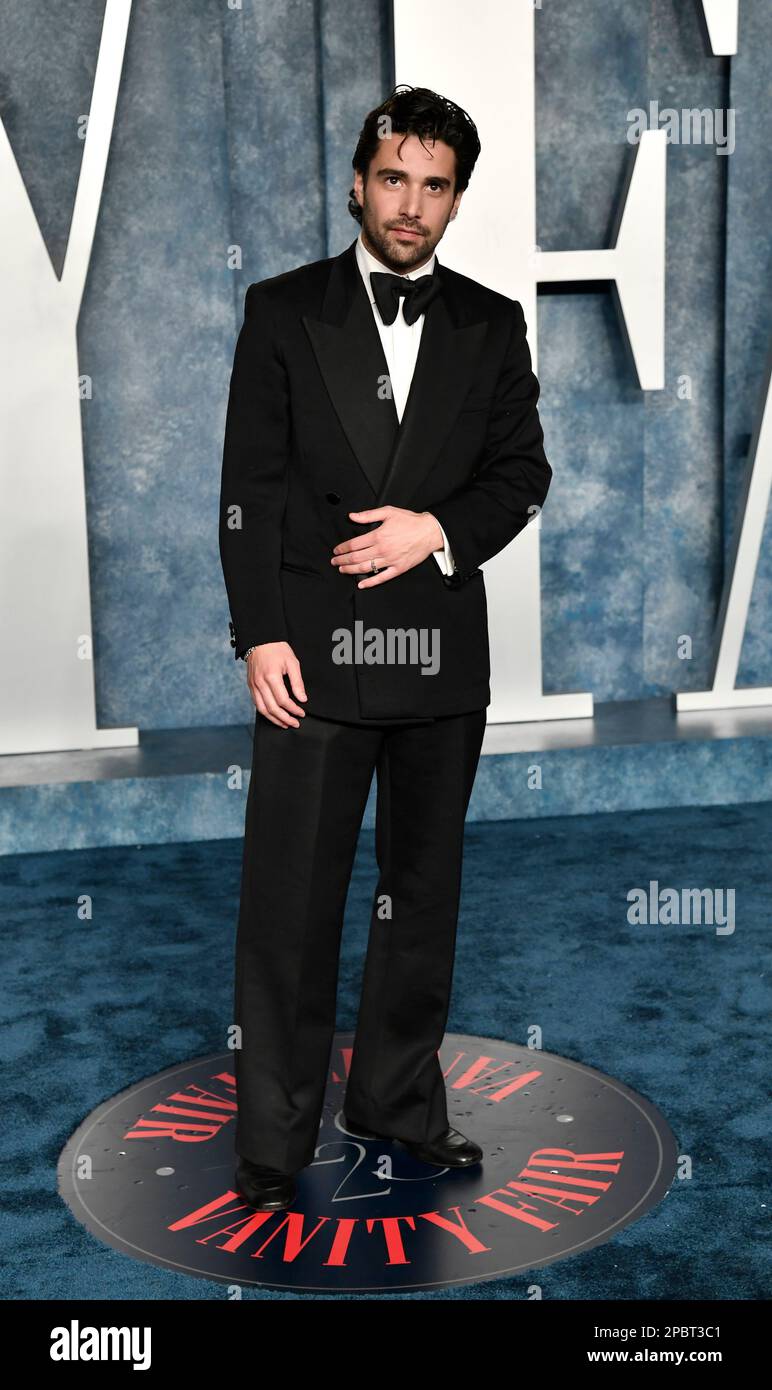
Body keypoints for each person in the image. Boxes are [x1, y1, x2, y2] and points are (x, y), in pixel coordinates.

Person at [218, 84, 552, 1211]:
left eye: (436, 184)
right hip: (310, 658)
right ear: (356, 182)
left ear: (457, 199)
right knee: (290, 900)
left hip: (438, 660)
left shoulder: (490, 323)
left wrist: (438, 530)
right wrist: (257, 631)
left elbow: (523, 474)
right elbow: (248, 493)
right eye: (394, 177)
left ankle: (398, 1100)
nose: (411, 204)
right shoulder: (280, 309)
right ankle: (273, 1134)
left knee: (420, 890)